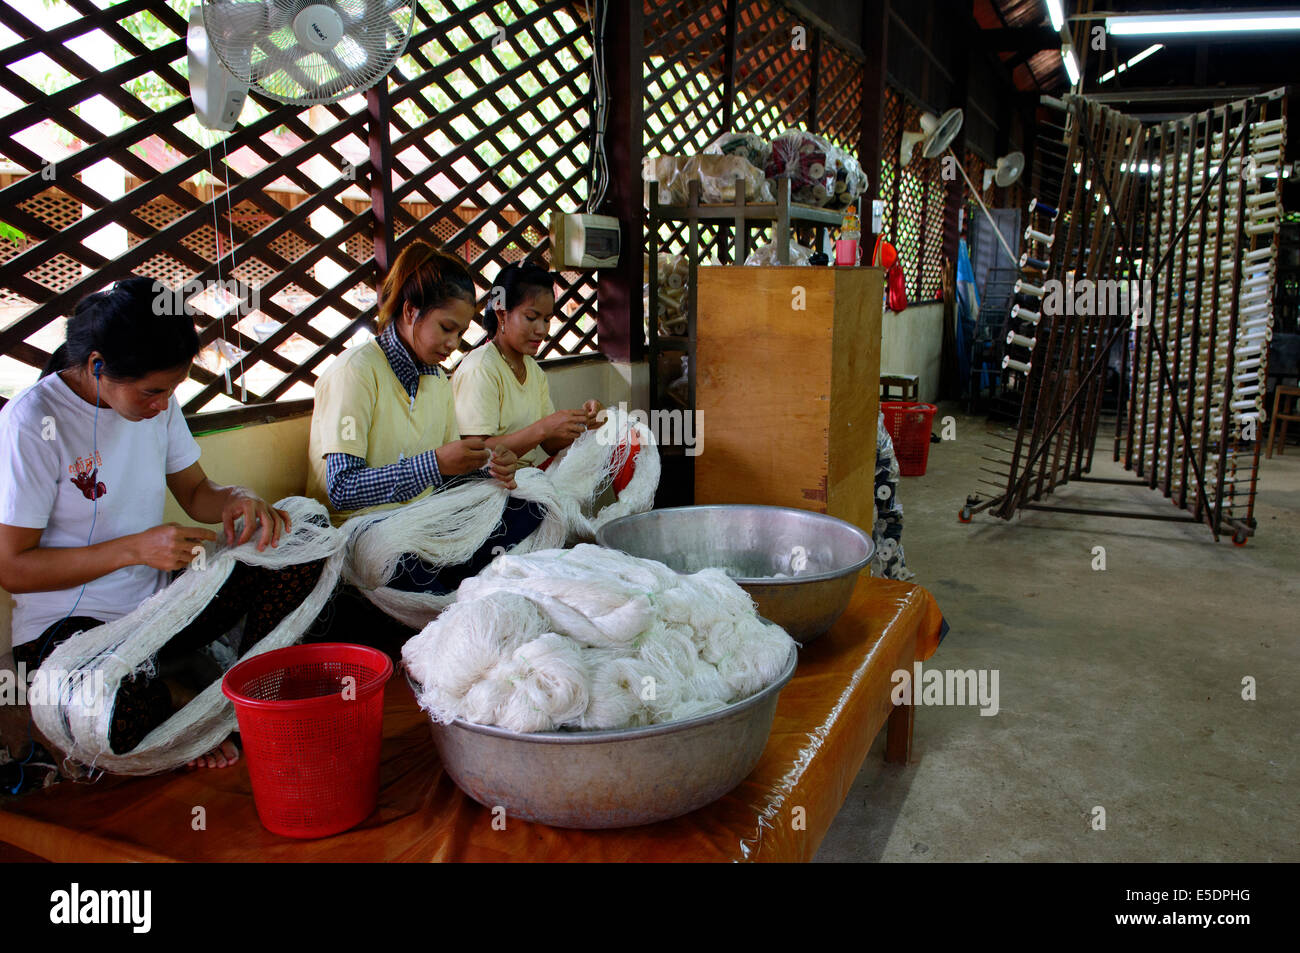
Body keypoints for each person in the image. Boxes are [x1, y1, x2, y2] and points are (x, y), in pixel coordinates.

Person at [0, 277, 324, 782]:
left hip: (157, 612)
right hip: (67, 631)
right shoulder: (34, 420)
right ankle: (183, 701)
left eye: (171, 390)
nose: (162, 404)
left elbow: (195, 492)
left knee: (303, 541)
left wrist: (239, 500)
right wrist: (134, 550)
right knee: (109, 716)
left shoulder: (159, 404)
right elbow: (13, 568)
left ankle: (243, 692)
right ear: (97, 366)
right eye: (152, 391)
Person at [306, 242, 537, 595]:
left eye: (460, 334)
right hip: (363, 531)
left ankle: (454, 586)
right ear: (411, 311)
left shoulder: (436, 380)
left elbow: (445, 472)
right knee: (409, 566)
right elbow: (341, 490)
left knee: (527, 509)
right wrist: (434, 464)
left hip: (421, 519)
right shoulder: (356, 372)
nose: (453, 344)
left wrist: (487, 465)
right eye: (446, 328)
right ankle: (448, 591)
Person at [452, 262, 602, 468]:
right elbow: (475, 453)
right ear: (502, 314)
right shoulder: (481, 369)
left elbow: (549, 444)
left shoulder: (532, 370)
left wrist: (585, 423)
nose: (541, 329)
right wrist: (543, 428)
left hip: (523, 481)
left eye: (547, 319)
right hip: (486, 487)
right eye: (531, 317)